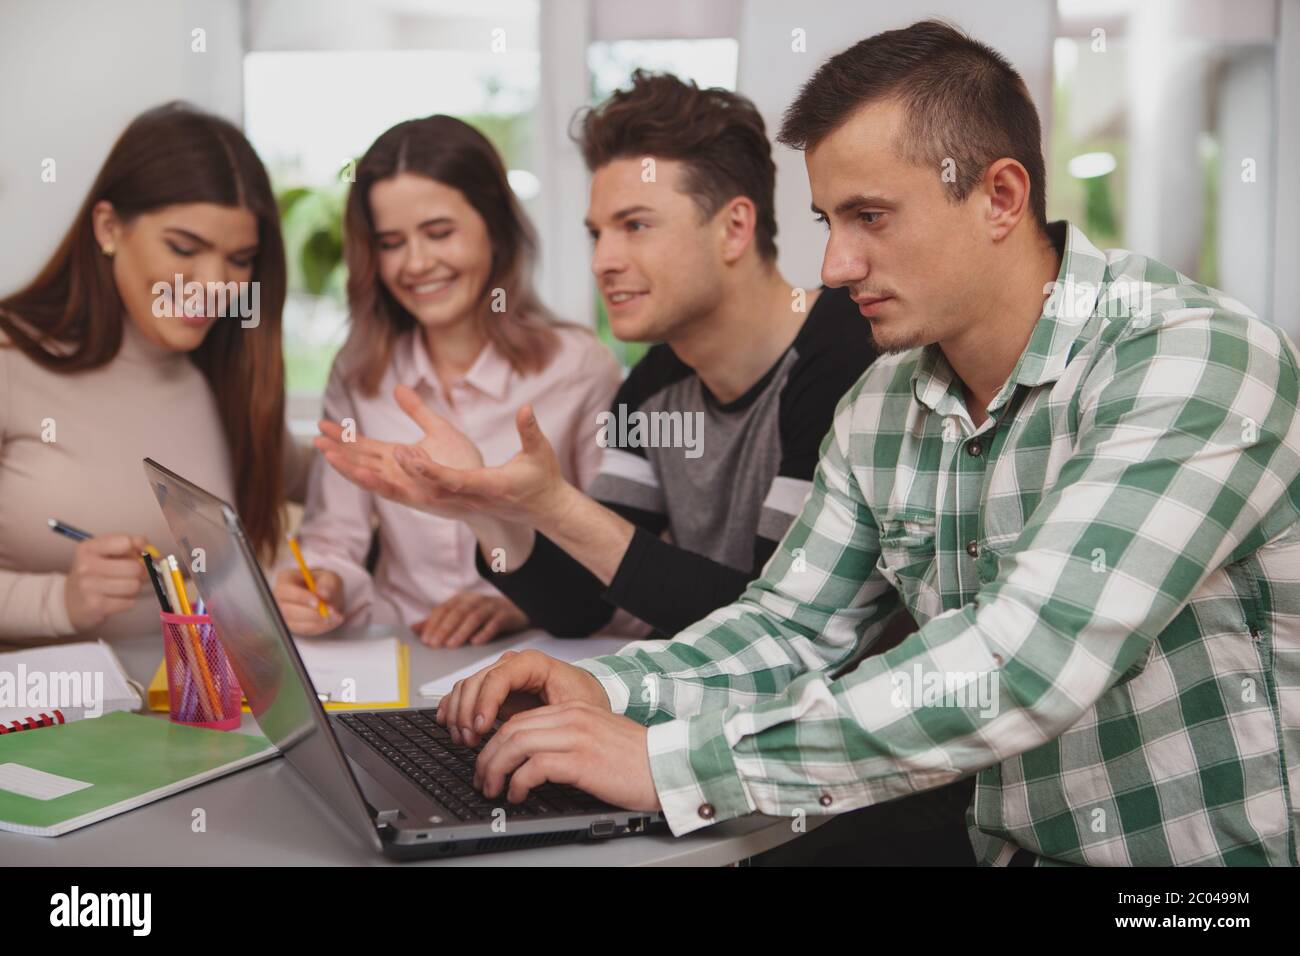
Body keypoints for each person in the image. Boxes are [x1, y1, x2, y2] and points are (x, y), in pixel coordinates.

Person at [328, 21, 1300, 867]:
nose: (835, 264)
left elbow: (1025, 662)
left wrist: (670, 759)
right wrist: (603, 682)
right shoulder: (887, 398)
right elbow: (787, 626)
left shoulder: (1191, 360)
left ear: (1001, 196)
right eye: (831, 220)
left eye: (869, 217)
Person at [272, 116, 621, 648]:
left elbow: (616, 554)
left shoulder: (578, 368)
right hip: (399, 656)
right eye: (391, 242)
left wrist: (517, 602)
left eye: (440, 233)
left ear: (496, 227)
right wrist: (326, 581)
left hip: (539, 653)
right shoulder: (359, 370)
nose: (416, 263)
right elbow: (333, 535)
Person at [0, 102, 302, 647]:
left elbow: (334, 476)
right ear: (109, 227)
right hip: (41, 721)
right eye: (184, 248)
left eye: (240, 259)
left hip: (192, 721)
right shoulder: (10, 359)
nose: (216, 285)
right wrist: (57, 602)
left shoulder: (225, 374)